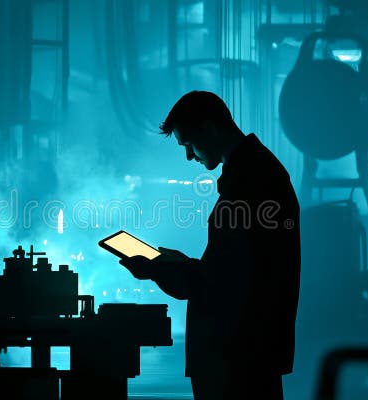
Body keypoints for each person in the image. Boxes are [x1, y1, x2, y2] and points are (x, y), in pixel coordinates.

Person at [120, 90, 301, 399]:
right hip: (249, 349)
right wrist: (181, 265)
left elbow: (222, 282)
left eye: (188, 143)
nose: (189, 156)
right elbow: (233, 268)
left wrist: (158, 270)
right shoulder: (256, 173)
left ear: (210, 127)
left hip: (236, 353)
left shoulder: (249, 183)